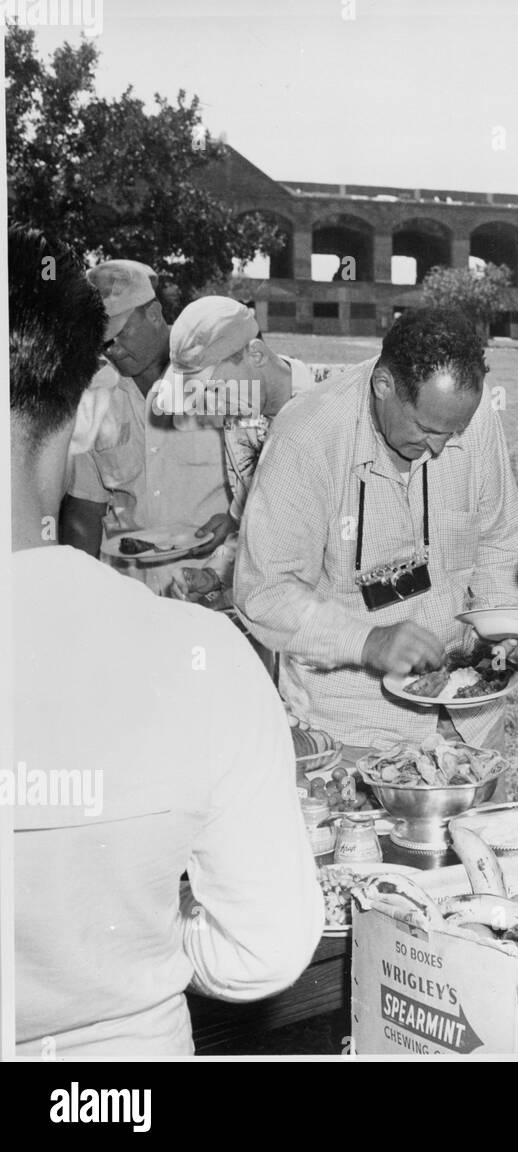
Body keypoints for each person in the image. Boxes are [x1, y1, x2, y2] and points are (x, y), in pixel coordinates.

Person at [8, 225, 323, 1058]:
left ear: (158, 313)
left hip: (199, 597)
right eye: (105, 332)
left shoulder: (213, 383)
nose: (121, 339)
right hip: (129, 600)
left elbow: (253, 486)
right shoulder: (103, 402)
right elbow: (72, 522)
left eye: (129, 322)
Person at [234, 306, 518, 753]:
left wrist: (501, 627)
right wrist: (367, 641)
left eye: (455, 432)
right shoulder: (307, 437)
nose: (440, 448)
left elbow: (501, 538)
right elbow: (266, 592)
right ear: (383, 385)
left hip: (469, 722)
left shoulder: (467, 414)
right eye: (428, 429)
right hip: (352, 729)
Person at [60, 259, 236, 594]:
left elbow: (272, 487)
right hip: (129, 596)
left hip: (212, 593)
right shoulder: (96, 397)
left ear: (154, 313)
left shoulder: (223, 378)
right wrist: (79, 597)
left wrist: (235, 517)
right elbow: (84, 512)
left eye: (120, 332)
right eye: (102, 341)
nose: (113, 350)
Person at [158, 295, 315, 607]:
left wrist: (232, 594)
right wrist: (217, 575)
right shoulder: (239, 418)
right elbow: (257, 529)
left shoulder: (329, 416)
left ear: (255, 354)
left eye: (213, 387)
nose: (208, 402)